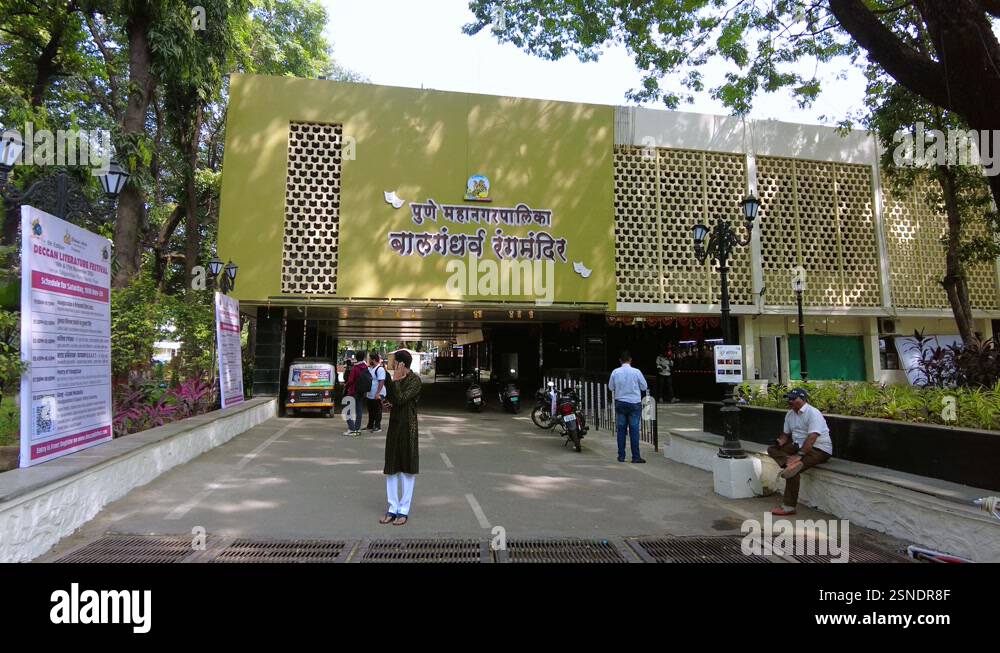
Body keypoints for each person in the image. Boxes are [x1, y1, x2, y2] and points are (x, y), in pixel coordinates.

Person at [767, 388, 833, 516]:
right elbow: (786, 435)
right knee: (772, 449)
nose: (790, 401)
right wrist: (780, 441)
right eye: (789, 398)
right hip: (798, 446)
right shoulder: (790, 414)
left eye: (793, 398)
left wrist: (799, 455)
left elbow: (812, 437)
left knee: (793, 472)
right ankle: (789, 464)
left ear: (803, 399)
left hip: (818, 449)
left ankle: (789, 507)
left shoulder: (813, 413)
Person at [379, 350, 421, 526]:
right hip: (395, 426)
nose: (393, 365)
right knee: (391, 468)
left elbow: (402, 398)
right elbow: (393, 399)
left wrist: (395, 381)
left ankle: (403, 510)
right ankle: (392, 508)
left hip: (408, 428)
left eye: (395, 362)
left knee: (407, 470)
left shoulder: (414, 381)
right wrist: (387, 403)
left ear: (402, 364)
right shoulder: (393, 378)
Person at [608, 350, 648, 464]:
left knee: (621, 430)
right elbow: (644, 386)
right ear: (630, 360)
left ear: (620, 360)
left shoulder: (615, 372)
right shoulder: (636, 372)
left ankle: (621, 456)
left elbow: (611, 387)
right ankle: (636, 457)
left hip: (620, 402)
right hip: (634, 403)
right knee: (634, 430)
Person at [343, 356, 369, 436]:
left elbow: (350, 380)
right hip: (361, 392)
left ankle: (351, 429)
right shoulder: (365, 368)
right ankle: (357, 429)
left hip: (353, 391)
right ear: (363, 357)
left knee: (347, 411)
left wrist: (346, 386)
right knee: (359, 410)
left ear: (356, 358)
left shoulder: (355, 368)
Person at [365, 351, 387, 432]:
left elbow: (381, 382)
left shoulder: (380, 369)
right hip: (370, 394)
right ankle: (370, 425)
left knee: (377, 410)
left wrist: (378, 393)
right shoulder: (371, 368)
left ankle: (377, 426)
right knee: (371, 410)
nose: (368, 360)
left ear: (373, 359)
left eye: (369, 359)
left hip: (378, 394)